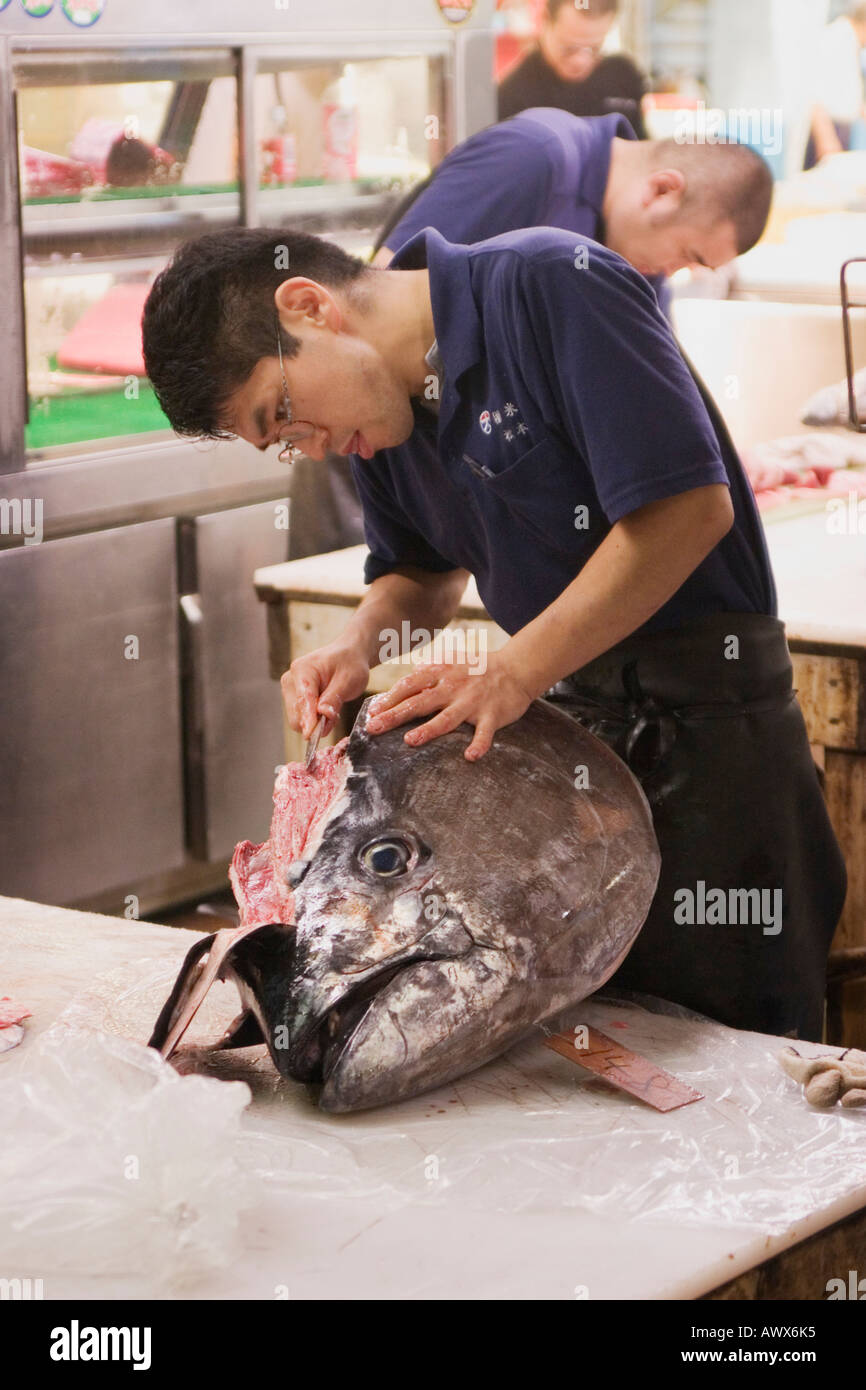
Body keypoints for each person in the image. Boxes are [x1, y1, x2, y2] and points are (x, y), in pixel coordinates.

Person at [142, 224, 846, 1041]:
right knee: (594, 1050)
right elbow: (422, 573)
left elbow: (685, 513)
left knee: (737, 1058)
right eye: (285, 447)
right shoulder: (387, 415)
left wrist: (510, 671)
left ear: (309, 307)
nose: (314, 446)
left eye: (285, 414)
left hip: (716, 739)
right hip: (572, 749)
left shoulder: (550, 285)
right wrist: (360, 643)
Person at [294, 106, 774, 560]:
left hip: (476, 488)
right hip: (366, 444)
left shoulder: (638, 262)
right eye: (688, 253)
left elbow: (652, 407)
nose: (676, 270)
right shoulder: (533, 157)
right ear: (663, 191)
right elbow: (375, 293)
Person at [498, 0, 647, 137]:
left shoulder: (623, 77)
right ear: (545, 23)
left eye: (594, 49)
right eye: (570, 48)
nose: (580, 61)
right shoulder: (512, 95)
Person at [806, 2, 866, 168]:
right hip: (826, 132)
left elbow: (845, 92)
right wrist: (826, 138)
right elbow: (814, 94)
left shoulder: (852, 43)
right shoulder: (836, 39)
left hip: (840, 130)